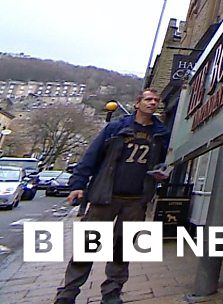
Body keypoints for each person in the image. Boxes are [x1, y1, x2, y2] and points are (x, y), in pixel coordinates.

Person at [54, 88, 171, 304]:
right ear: (138, 103)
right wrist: (78, 184)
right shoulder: (117, 128)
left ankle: (111, 293)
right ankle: (67, 293)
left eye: (156, 100)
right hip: (105, 196)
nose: (152, 103)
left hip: (136, 200)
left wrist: (161, 174)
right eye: (148, 99)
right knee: (87, 247)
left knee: (123, 249)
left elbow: (163, 162)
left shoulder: (161, 134)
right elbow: (92, 156)